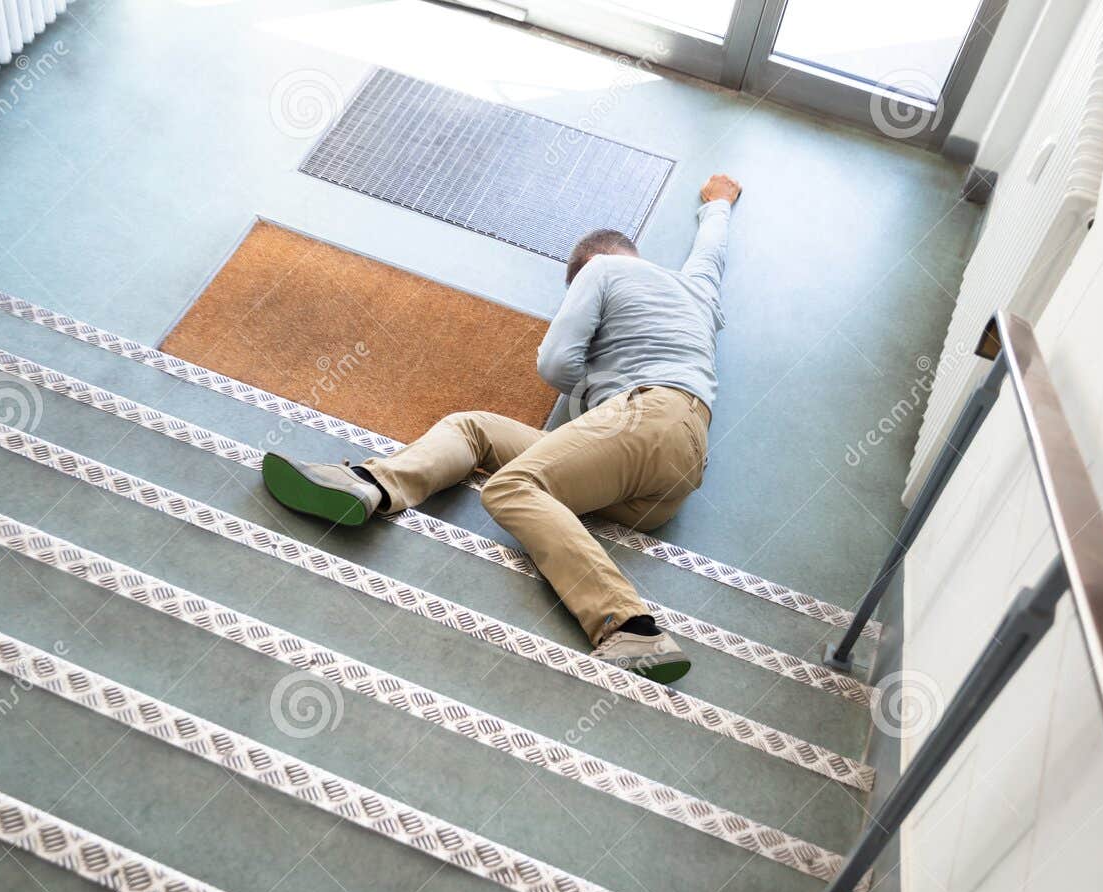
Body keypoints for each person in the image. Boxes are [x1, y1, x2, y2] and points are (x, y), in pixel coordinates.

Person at [261, 172, 742, 684]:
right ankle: (371, 483)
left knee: (510, 487)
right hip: (676, 474)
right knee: (474, 429)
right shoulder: (696, 291)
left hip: (641, 416)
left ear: (585, 268)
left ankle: (629, 625)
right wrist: (718, 205)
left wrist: (594, 388)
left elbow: (555, 365)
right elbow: (709, 254)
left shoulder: (599, 269)